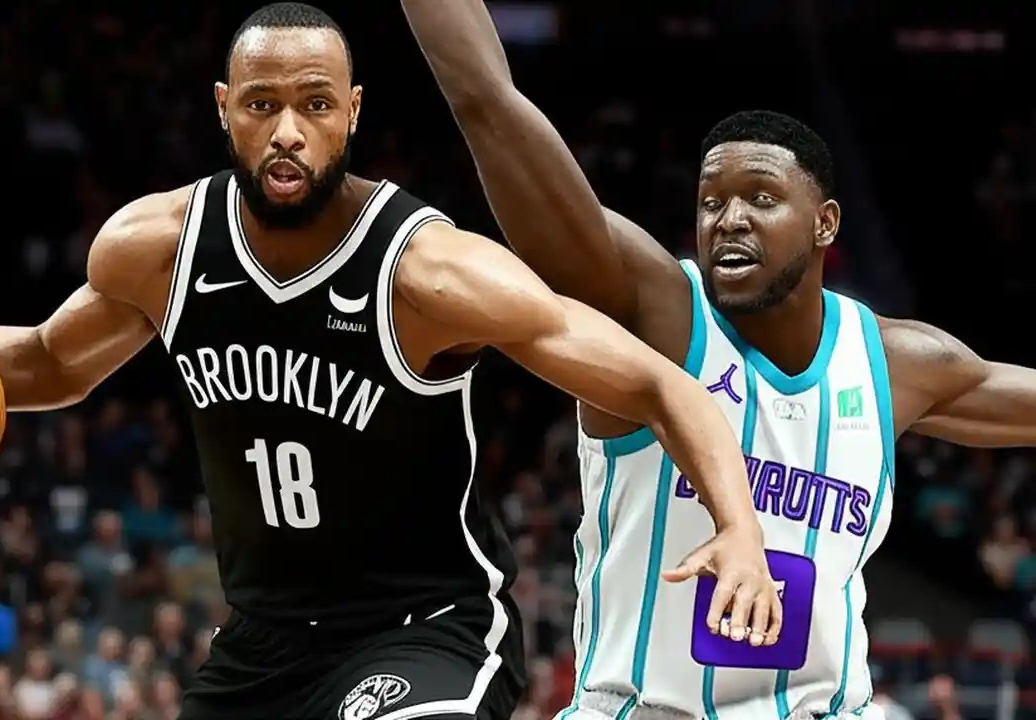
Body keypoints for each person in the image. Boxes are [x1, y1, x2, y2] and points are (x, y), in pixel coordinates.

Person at [0, 4, 779, 719]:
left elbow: (658, 383)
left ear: (351, 112)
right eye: (261, 103)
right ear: (224, 109)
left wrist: (737, 529)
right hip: (260, 643)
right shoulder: (156, 246)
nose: (286, 131)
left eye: (313, 104)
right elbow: (51, 365)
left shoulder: (429, 272)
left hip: (423, 627)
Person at [400, 1, 1036, 718]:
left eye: (761, 198)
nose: (728, 218)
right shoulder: (652, 314)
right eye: (711, 202)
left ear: (825, 222)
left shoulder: (897, 365)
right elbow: (491, 104)